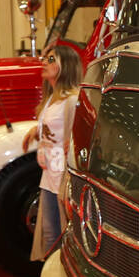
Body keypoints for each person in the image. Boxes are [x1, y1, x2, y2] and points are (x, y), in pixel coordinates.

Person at [23, 44, 82, 260]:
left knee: (64, 234)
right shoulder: (51, 98)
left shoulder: (71, 99)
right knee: (49, 233)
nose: (44, 63)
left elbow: (73, 139)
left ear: (64, 66)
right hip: (49, 174)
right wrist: (35, 131)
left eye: (50, 60)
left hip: (62, 177)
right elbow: (52, 127)